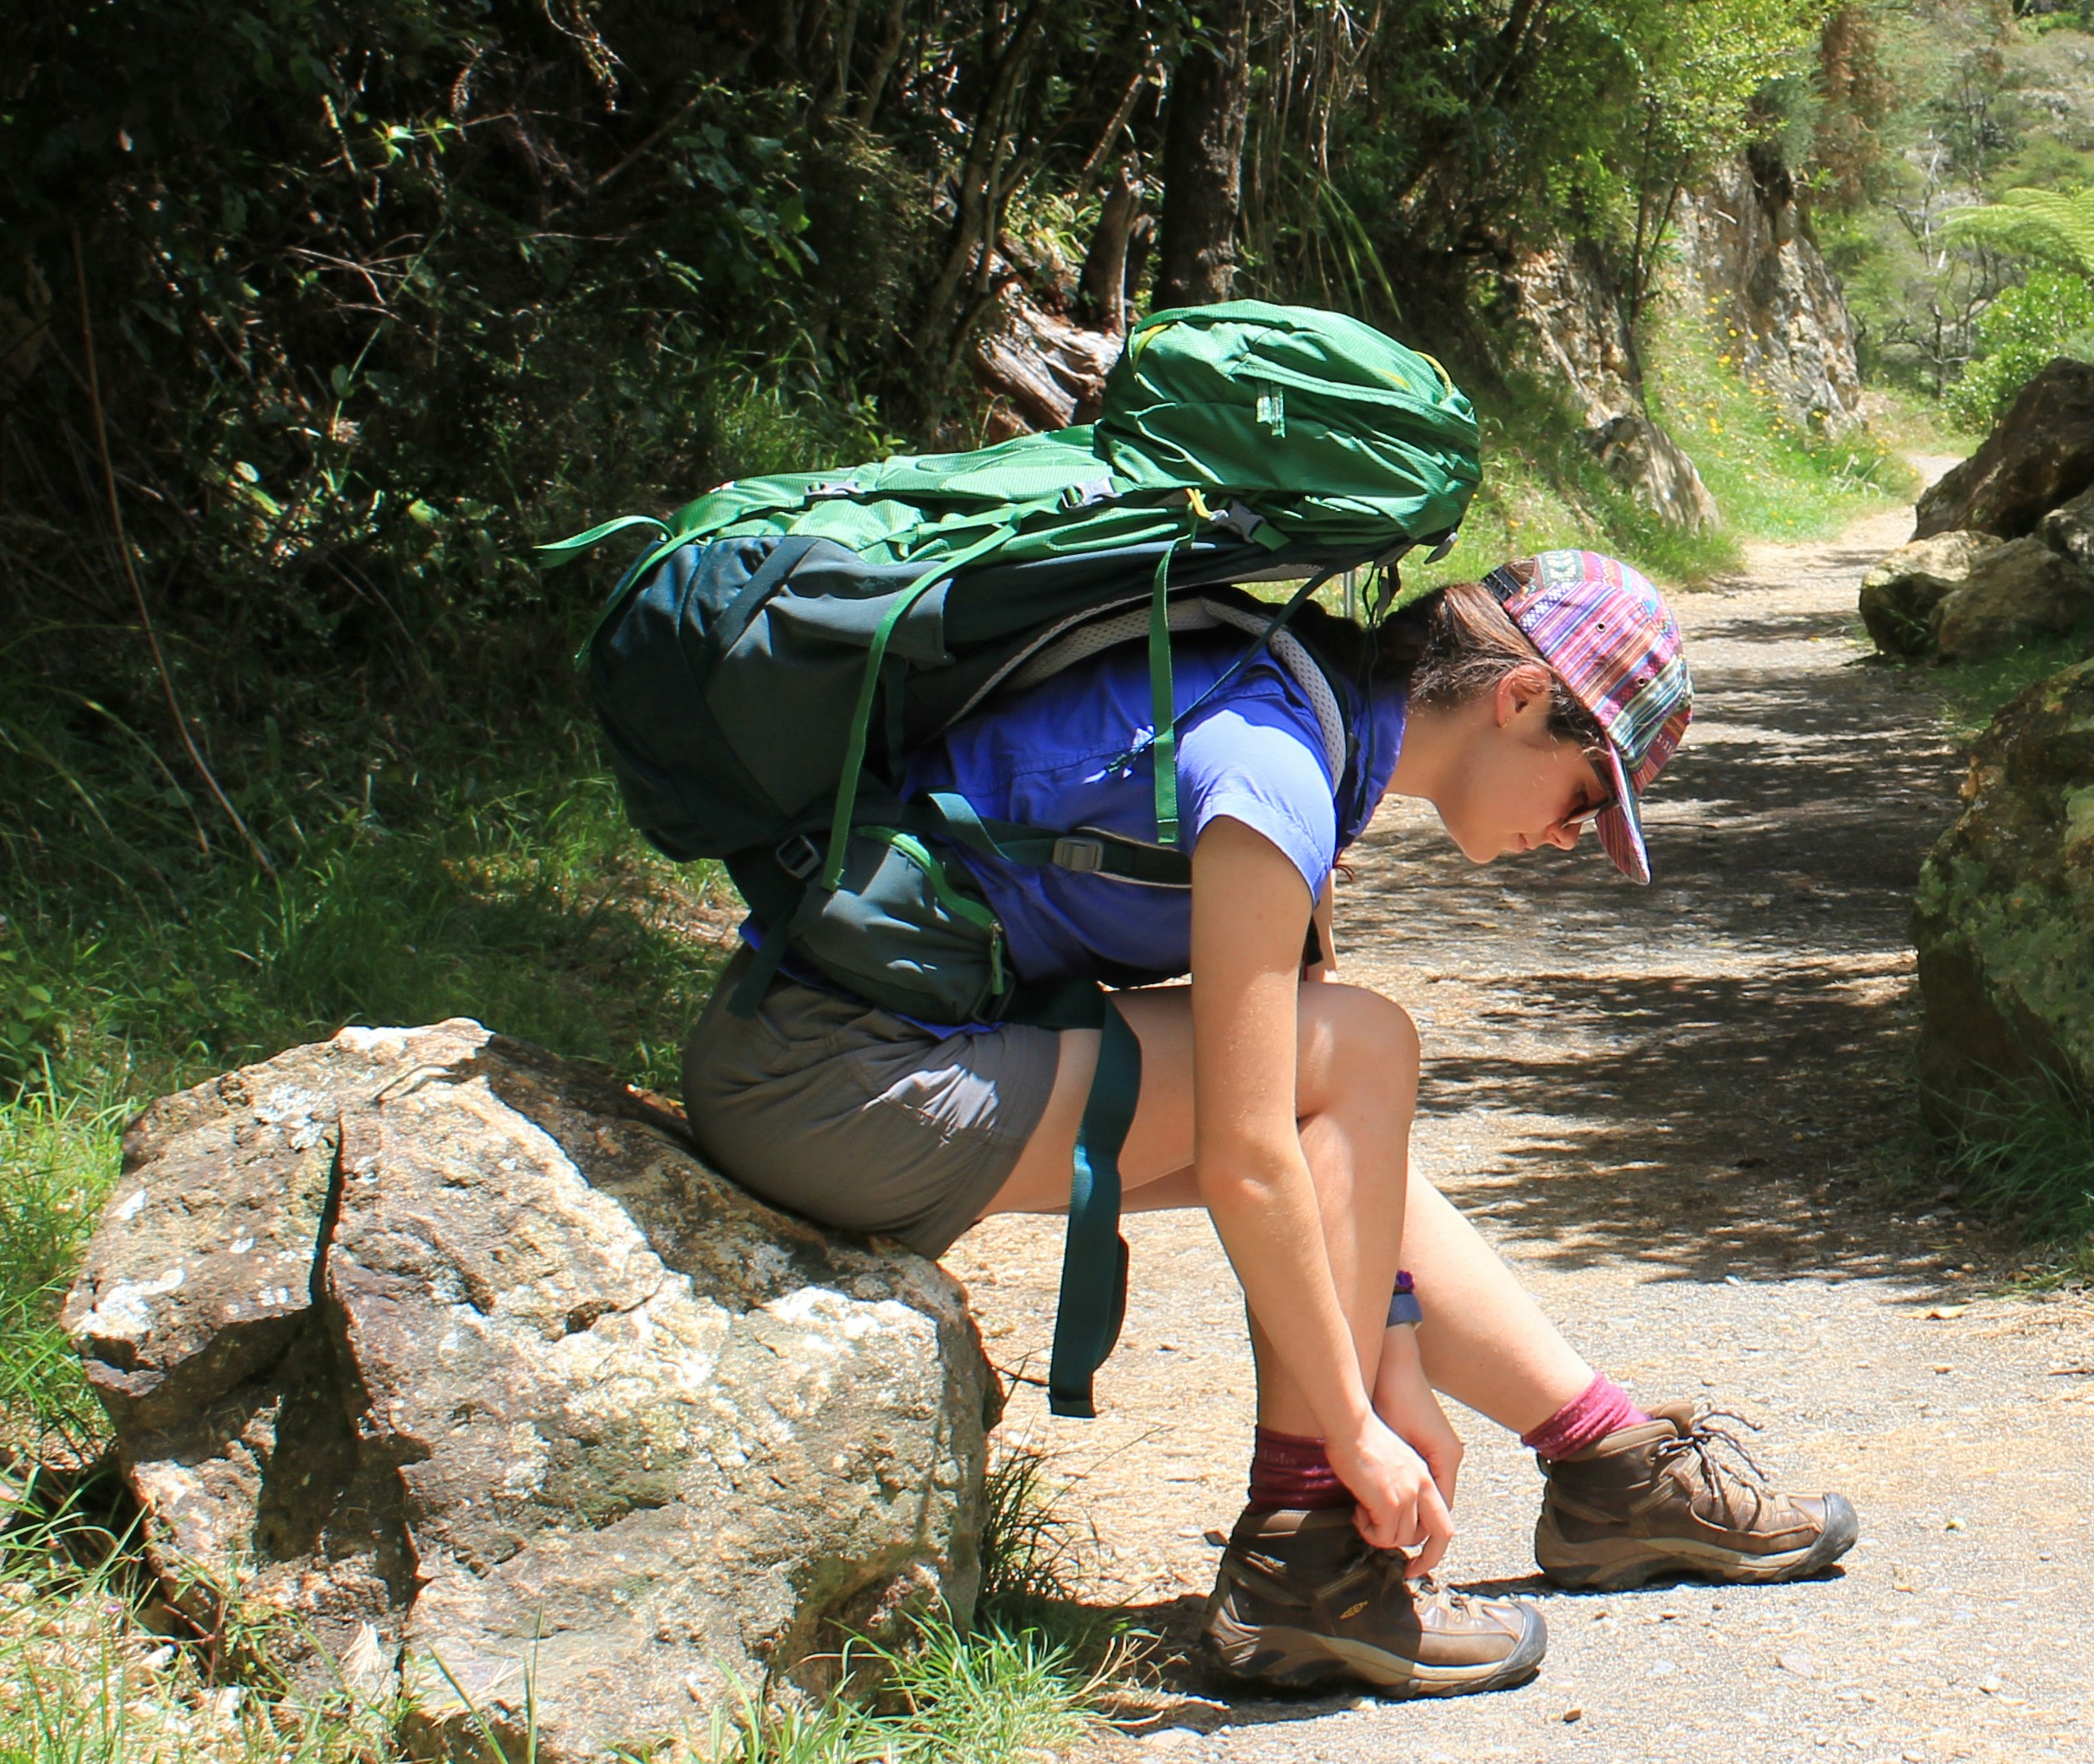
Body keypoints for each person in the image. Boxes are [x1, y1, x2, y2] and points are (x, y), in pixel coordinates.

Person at [674, 549, 1856, 1697]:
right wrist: (1355, 1429)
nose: (1569, 837)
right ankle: (1307, 1560)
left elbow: (1333, 1152)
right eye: (1589, 793)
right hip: (839, 1088)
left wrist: (1396, 1365)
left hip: (835, 1063)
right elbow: (1252, 1157)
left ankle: (1608, 1466)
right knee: (1365, 1046)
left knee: (1347, 1066)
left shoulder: (1307, 708)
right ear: (1520, 698)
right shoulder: (1276, 771)